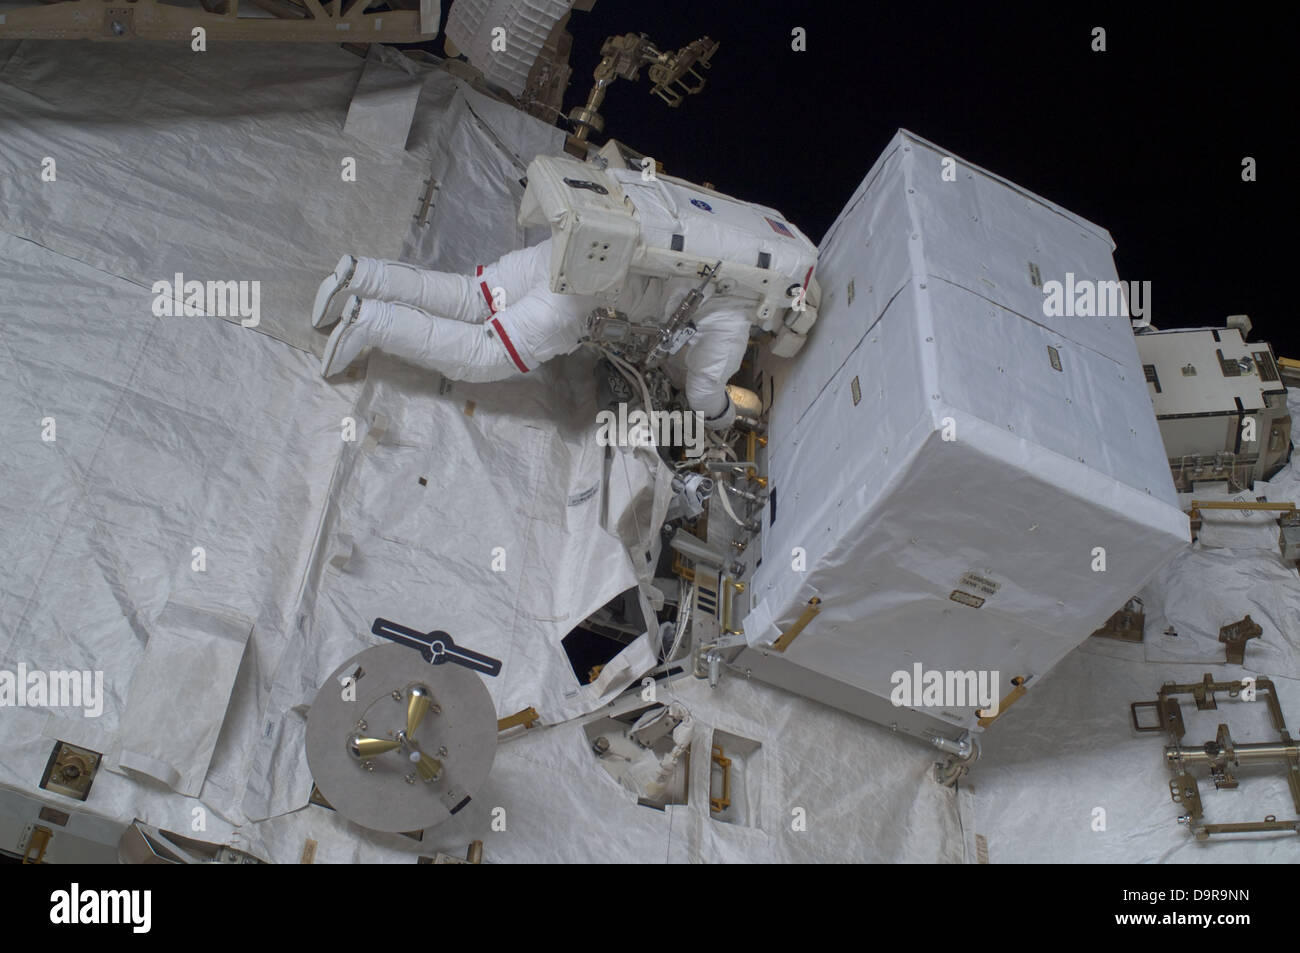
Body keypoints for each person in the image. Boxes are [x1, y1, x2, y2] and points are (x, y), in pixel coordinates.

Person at [312, 239, 751, 429]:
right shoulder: (738, 311)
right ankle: (369, 321)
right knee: (483, 355)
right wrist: (723, 416)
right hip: (577, 298)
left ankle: (358, 274)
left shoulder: (721, 246)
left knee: (472, 297)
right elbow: (703, 390)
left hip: (564, 253)